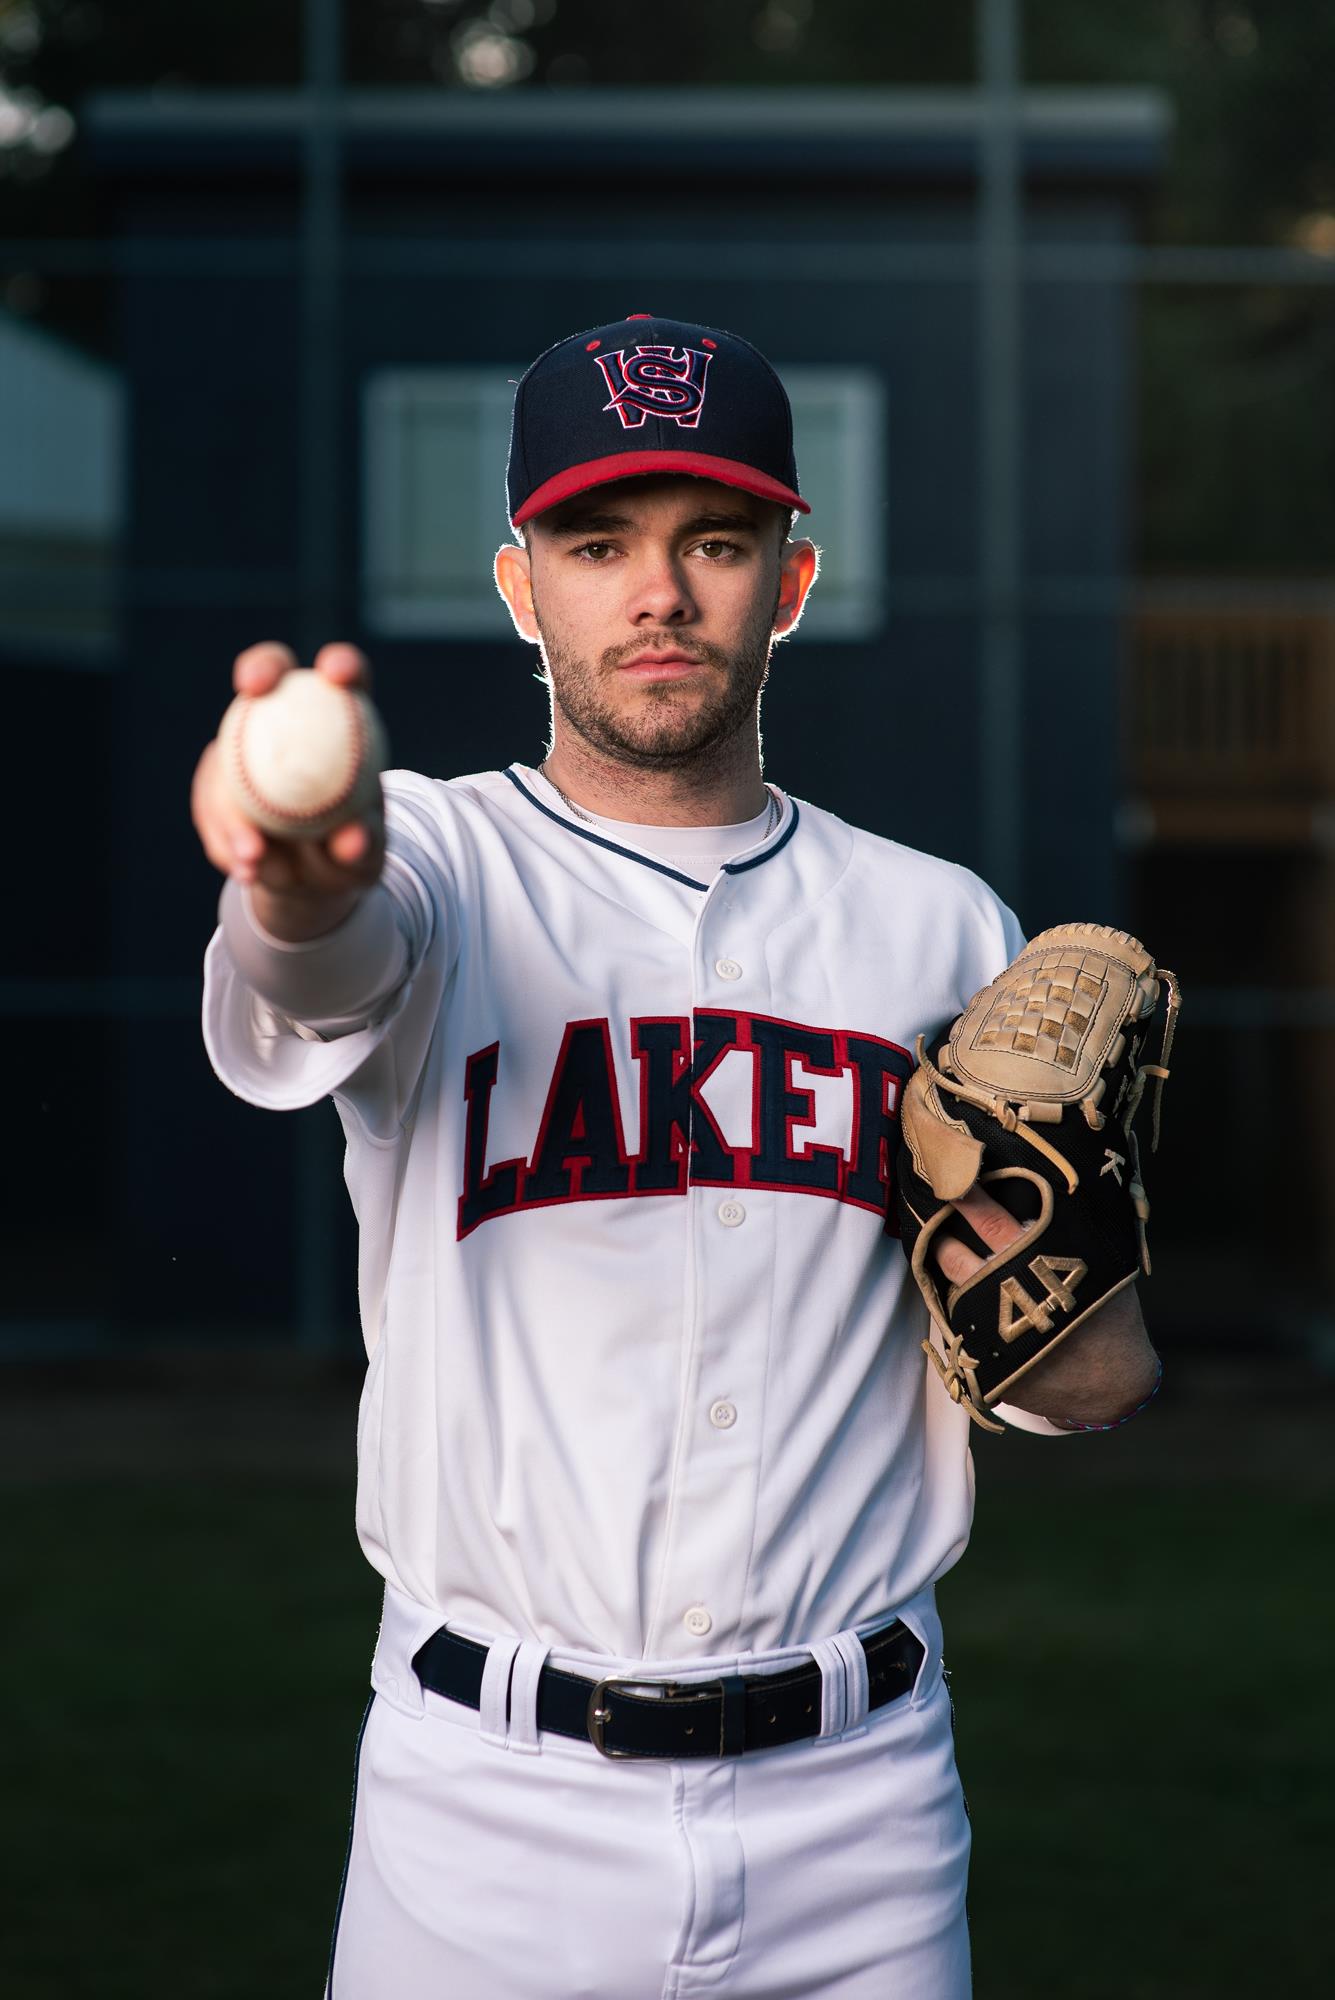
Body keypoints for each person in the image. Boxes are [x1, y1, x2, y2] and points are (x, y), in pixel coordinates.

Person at [191, 314, 1160, 1999]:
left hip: (858, 1816)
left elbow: (1054, 1382)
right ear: (521, 588)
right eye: (597, 544)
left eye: (714, 541)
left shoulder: (940, 927)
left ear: (791, 581)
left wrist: (1083, 1305)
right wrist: (295, 868)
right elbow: (319, 958)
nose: (658, 593)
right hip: (483, 1813)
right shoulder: (436, 860)